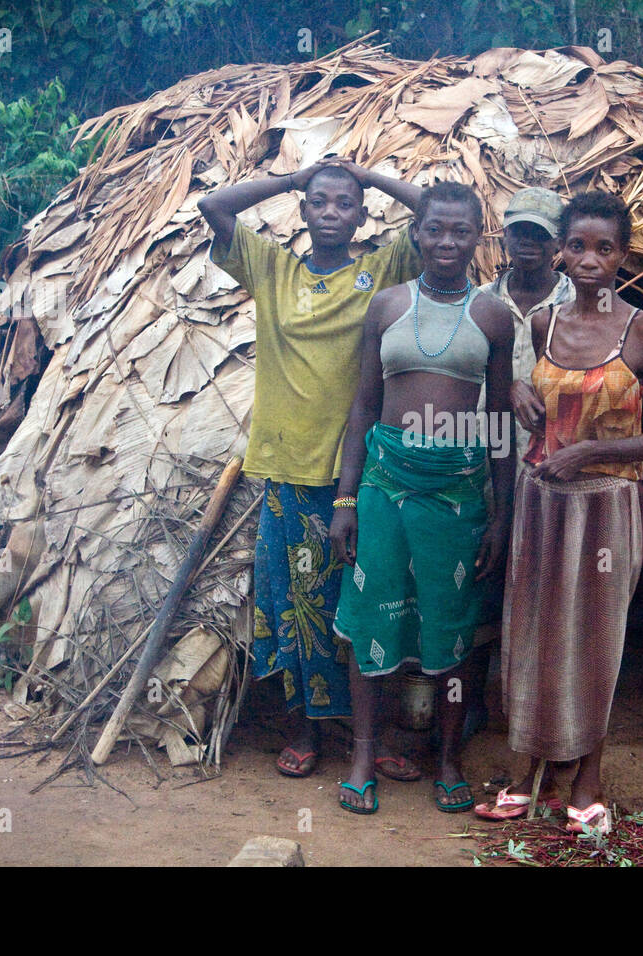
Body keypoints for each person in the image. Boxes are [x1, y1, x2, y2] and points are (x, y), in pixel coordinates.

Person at [199, 158, 426, 782]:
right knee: (300, 607)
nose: (331, 213)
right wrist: (292, 178)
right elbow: (213, 207)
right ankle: (302, 729)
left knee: (370, 604)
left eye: (344, 204)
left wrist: (371, 176)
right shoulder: (272, 269)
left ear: (361, 215)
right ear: (303, 210)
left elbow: (437, 213)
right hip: (291, 470)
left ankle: (368, 736)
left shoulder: (380, 272)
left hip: (364, 471)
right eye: (319, 202)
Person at [478, 191, 643, 834]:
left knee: (596, 641)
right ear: (561, 253)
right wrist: (514, 390)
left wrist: (594, 451)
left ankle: (587, 780)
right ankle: (527, 773)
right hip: (542, 503)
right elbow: (510, 389)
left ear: (623, 254)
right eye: (577, 246)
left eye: (604, 247)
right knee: (532, 635)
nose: (589, 258)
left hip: (607, 507)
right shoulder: (541, 327)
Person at [329, 181, 516, 814]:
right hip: (384, 486)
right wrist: (346, 500)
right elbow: (362, 406)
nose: (445, 242)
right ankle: (363, 755)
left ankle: (448, 759)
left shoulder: (493, 316)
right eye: (434, 228)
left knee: (452, 631)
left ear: (476, 238)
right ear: (416, 233)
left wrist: (501, 515)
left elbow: (498, 426)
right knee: (370, 620)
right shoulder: (385, 306)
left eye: (460, 231)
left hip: (458, 498)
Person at [460, 187, 576, 741]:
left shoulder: (583, 300)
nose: (527, 243)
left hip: (552, 458)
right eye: (519, 232)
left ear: (556, 243)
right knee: (482, 569)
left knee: (541, 578)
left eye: (540, 234)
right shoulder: (480, 300)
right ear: (503, 236)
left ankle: (534, 704)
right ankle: (473, 696)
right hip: (482, 453)